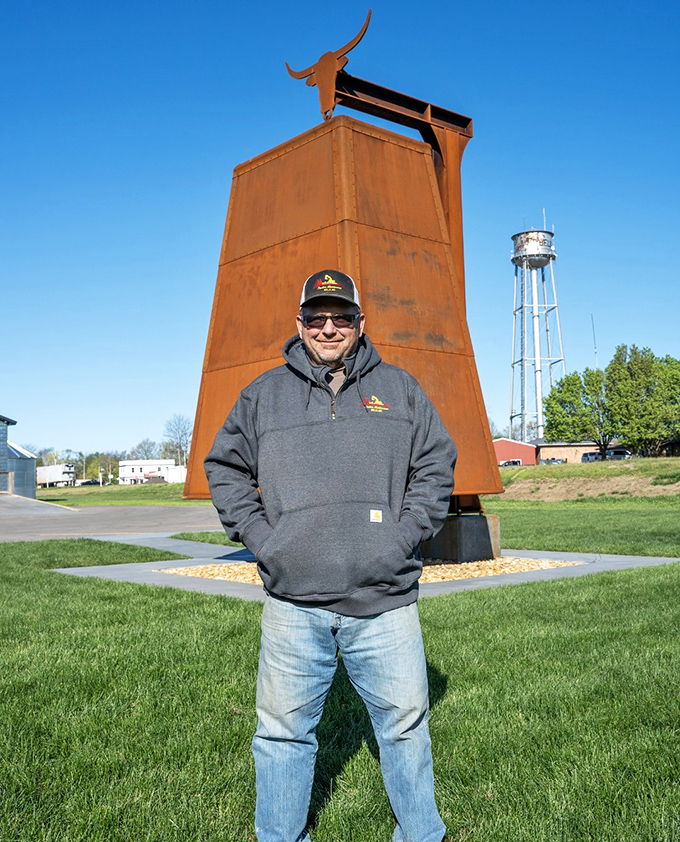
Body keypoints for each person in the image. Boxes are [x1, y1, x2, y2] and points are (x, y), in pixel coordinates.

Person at [205, 269, 457, 842]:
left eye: (340, 317)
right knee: (283, 735)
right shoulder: (264, 395)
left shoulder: (399, 388)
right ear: (299, 324)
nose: (328, 327)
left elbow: (436, 462)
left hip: (386, 601)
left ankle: (421, 835)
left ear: (359, 324)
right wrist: (264, 539)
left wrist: (406, 532)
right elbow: (225, 467)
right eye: (316, 317)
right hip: (294, 602)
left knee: (404, 729)